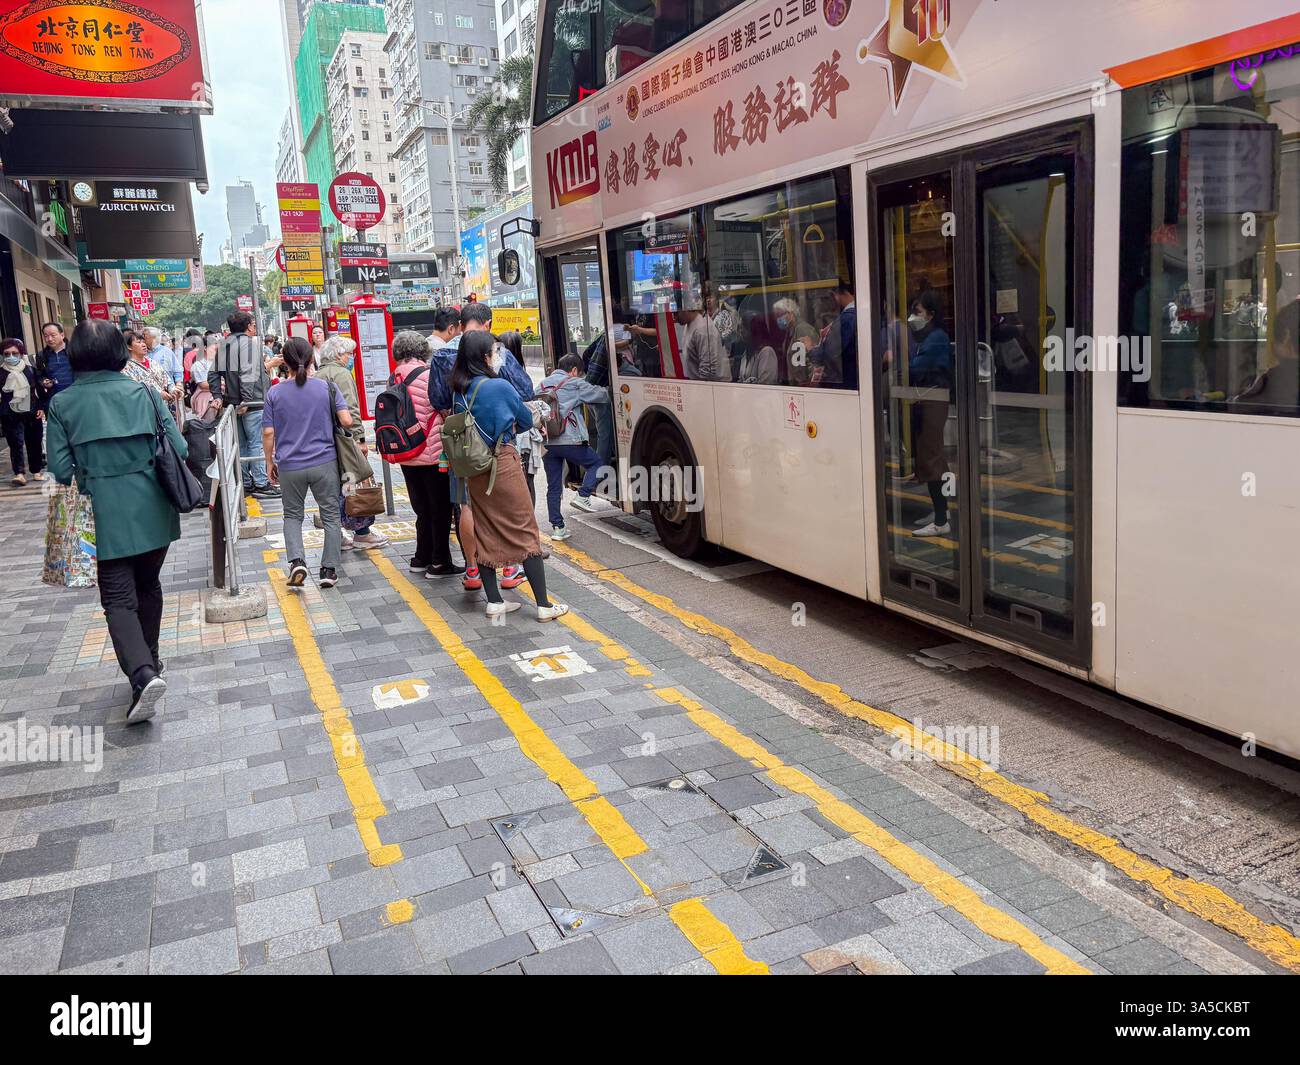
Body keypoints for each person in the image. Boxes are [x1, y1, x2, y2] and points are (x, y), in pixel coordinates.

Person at [46, 319, 187, 722]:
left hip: (101, 512)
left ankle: (142, 674)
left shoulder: (63, 404)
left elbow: (58, 468)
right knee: (148, 584)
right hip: (153, 508)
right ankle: (152, 662)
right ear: (119, 352)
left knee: (117, 598)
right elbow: (176, 444)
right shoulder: (143, 392)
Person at [449, 332, 568, 621]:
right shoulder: (499, 387)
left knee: (485, 529)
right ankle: (543, 605)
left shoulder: (460, 391)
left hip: (474, 468)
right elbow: (526, 420)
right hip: (502, 463)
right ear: (484, 357)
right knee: (525, 529)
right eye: (493, 352)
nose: (497, 356)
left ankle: (494, 602)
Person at [262, 337, 351, 589]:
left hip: (290, 465)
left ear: (284, 363)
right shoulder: (327, 388)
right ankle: (328, 570)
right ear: (312, 359)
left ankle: (297, 562)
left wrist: (269, 462)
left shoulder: (275, 393)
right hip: (325, 462)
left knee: (292, 515)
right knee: (331, 516)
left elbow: (268, 433)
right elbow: (346, 421)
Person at [390, 331, 464, 579]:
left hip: (406, 453)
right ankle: (440, 561)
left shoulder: (394, 377)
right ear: (422, 350)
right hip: (432, 454)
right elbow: (444, 409)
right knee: (441, 509)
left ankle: (420, 558)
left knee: (422, 509)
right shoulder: (429, 375)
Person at [317, 334, 389, 552]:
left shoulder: (318, 375)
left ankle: (336, 534)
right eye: (349, 353)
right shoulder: (342, 374)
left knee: (330, 489)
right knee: (352, 482)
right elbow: (351, 410)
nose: (353, 357)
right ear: (339, 355)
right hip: (345, 441)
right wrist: (360, 439)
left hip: (324, 441)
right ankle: (361, 533)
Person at [540, 353, 612, 541]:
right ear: (574, 370)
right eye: (579, 373)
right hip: (569, 440)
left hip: (548, 442)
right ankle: (583, 495)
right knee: (596, 463)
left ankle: (558, 528)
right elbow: (601, 395)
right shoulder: (574, 383)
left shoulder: (541, 384)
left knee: (553, 486)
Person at [210, 310, 279, 498]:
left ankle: (246, 482)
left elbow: (213, 374)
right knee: (256, 443)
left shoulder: (224, 345)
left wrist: (217, 395)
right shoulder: (249, 344)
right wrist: (246, 400)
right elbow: (247, 375)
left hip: (232, 404)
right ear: (248, 326)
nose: (255, 327)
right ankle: (261, 483)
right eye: (254, 324)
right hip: (252, 403)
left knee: (240, 445)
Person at [906, 290, 953, 537]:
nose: (913, 316)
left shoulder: (935, 338)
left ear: (931, 314)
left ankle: (941, 520)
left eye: (918, 311)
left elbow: (916, 368)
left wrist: (899, 361)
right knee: (934, 457)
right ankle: (941, 511)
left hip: (933, 400)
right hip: (930, 399)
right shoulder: (928, 336)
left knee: (931, 458)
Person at [1, 338, 45, 485]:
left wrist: (41, 407)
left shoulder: (30, 369)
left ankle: (36, 470)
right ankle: (19, 473)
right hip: (10, 412)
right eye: (7, 354)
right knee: (15, 443)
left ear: (21, 353)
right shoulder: (1, 372)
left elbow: (39, 390)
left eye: (14, 353)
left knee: (34, 442)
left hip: (31, 410)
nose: (11, 356)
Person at [808, 280, 857, 387]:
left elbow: (827, 353)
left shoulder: (847, 319)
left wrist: (811, 348)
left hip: (846, 384)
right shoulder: (857, 315)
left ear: (835, 295)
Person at [676, 302, 728, 380]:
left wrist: (698, 389)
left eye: (676, 313)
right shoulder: (689, 323)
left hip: (712, 385)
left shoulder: (702, 329)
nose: (674, 317)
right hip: (697, 382)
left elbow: (708, 369)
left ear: (686, 309)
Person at [122, 328, 179, 399]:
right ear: (129, 347)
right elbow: (133, 391)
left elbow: (167, 380)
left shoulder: (153, 363)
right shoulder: (127, 368)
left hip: (163, 406)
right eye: (139, 342)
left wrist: (173, 390)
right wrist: (158, 394)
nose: (143, 345)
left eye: (143, 342)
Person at [774, 298, 818, 385]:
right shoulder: (790, 332)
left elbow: (813, 361)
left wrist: (809, 384)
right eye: (776, 317)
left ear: (790, 313)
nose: (778, 319)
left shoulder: (803, 329)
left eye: (780, 315)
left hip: (805, 385)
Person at [737, 313, 781, 384]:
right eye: (740, 327)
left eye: (743, 327)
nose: (741, 331)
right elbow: (741, 379)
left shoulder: (767, 352)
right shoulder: (746, 353)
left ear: (754, 330)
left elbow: (766, 385)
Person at [36, 322, 73, 400]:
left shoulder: (74, 350)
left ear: (62, 335)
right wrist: (43, 381)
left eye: (53, 335)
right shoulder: (41, 355)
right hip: (55, 398)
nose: (49, 339)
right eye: (46, 336)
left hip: (75, 395)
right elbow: (39, 375)